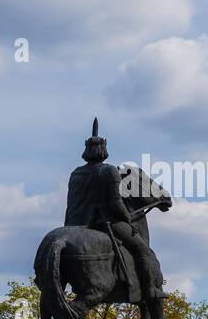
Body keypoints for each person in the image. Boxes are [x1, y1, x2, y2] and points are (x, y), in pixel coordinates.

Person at [64, 118, 165, 300]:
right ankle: (151, 291)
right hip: (105, 222)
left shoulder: (76, 173)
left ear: (86, 151)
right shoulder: (109, 171)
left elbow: (71, 204)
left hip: (75, 225)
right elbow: (116, 203)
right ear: (104, 150)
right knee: (144, 251)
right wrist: (127, 218)